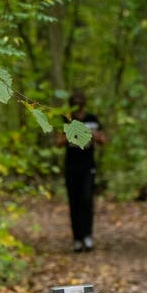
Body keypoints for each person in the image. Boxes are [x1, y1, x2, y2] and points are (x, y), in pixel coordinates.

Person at [57, 90, 106, 252]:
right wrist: (74, 134)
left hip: (88, 166)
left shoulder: (92, 119)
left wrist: (93, 135)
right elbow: (58, 141)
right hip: (71, 166)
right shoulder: (66, 119)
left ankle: (87, 236)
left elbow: (103, 140)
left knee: (87, 200)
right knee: (74, 201)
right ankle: (77, 238)